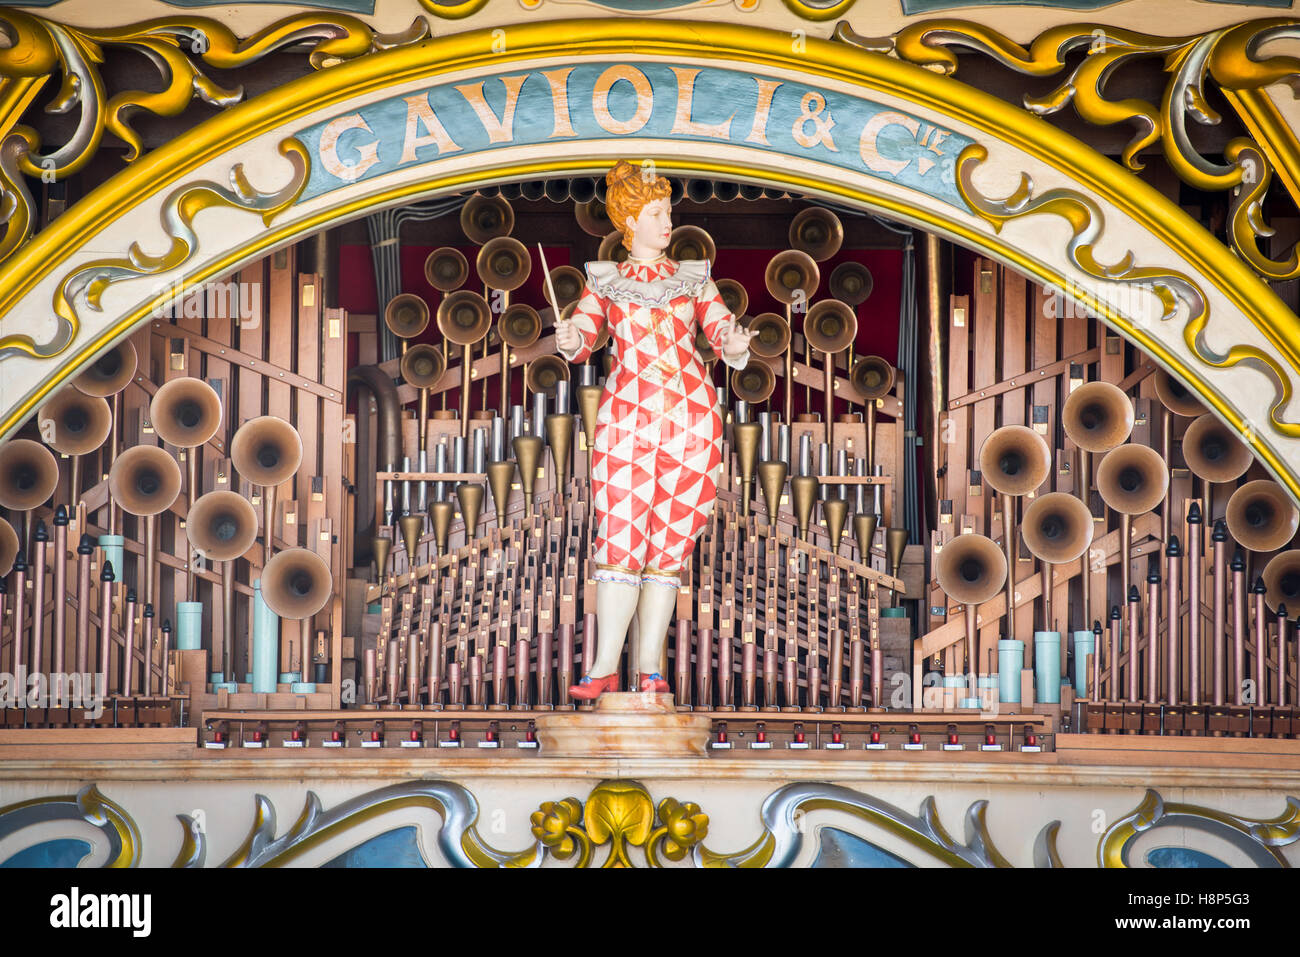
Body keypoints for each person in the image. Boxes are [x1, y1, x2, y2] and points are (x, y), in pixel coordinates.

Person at [553, 160, 755, 699]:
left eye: (668, 213)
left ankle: (648, 667)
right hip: (626, 420)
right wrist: (570, 338)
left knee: (669, 549)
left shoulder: (694, 279)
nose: (668, 223)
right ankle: (603, 667)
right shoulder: (608, 282)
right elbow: (583, 341)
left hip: (692, 421)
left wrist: (734, 345)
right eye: (658, 214)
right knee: (620, 540)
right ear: (630, 220)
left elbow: (720, 332)